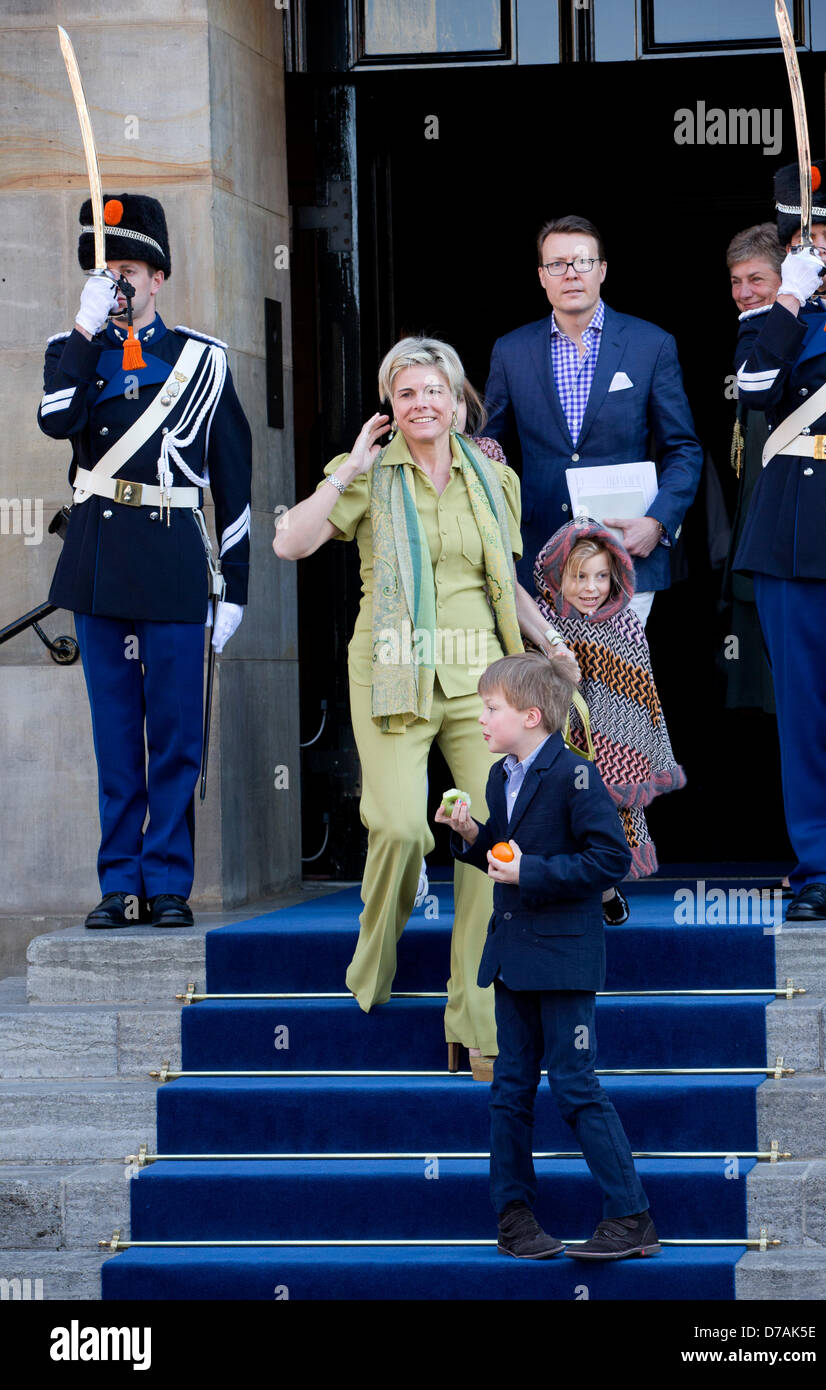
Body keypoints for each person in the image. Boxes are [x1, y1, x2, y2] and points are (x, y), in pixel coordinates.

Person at [274, 337, 566, 1078]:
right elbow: (289, 543)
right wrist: (348, 470)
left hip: (482, 681)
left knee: (490, 844)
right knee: (402, 827)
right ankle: (375, 955)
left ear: (459, 398)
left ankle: (473, 1018)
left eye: (433, 390)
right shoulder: (367, 476)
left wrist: (552, 642)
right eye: (406, 394)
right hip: (392, 672)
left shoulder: (494, 479)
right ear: (390, 407)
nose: (421, 404)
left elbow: (504, 580)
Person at [38, 194, 252, 930]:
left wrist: (237, 589)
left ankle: (166, 882)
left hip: (171, 559)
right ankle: (117, 882)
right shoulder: (72, 351)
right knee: (114, 736)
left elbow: (234, 480)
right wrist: (84, 329)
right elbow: (55, 421)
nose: (120, 285)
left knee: (175, 737)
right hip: (100, 562)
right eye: (108, 274)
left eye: (130, 272)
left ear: (158, 277)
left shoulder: (202, 361)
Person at [436, 653, 659, 1260]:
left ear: (531, 716)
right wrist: (473, 839)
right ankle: (514, 1219)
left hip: (563, 960)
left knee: (574, 1084)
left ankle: (631, 1216)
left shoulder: (576, 775)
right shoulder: (497, 777)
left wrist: (526, 870)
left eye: (491, 708)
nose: (480, 718)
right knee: (510, 1088)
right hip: (513, 958)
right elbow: (504, 856)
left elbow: (610, 860)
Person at [733, 159, 826, 922]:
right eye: (808, 238)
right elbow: (754, 391)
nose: (822, 248)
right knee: (804, 712)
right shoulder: (770, 322)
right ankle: (816, 863)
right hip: (789, 537)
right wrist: (788, 291)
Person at [483, 214, 703, 622]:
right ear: (541, 276)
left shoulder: (650, 345)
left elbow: (683, 449)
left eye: (582, 262)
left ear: (602, 270)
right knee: (550, 684)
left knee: (617, 684)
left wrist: (658, 521)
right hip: (540, 556)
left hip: (625, 554)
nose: (570, 274)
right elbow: (488, 448)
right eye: (557, 265)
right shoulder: (511, 351)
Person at [532, 519, 686, 922]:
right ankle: (557, 891)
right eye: (579, 576)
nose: (591, 587)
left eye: (602, 576)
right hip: (552, 740)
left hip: (606, 746)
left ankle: (603, 888)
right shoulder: (538, 624)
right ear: (554, 574)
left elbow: (639, 700)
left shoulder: (625, 626)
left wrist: (615, 749)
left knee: (597, 818)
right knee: (551, 816)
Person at [724, 224, 784, 714]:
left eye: (757, 280)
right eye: (736, 281)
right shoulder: (754, 333)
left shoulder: (783, 336)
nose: (744, 293)